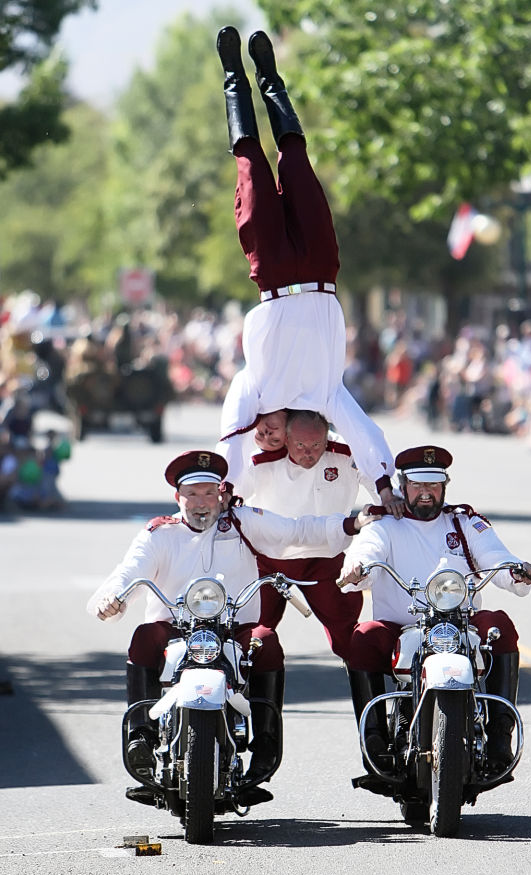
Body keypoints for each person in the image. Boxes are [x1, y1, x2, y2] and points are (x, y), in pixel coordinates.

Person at [87, 449, 377, 804]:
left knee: (266, 640)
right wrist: (111, 598)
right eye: (192, 494)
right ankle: (141, 737)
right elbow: (129, 572)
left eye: (209, 493)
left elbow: (297, 530)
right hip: (176, 628)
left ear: (222, 493)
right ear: (177, 497)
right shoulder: (159, 533)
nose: (201, 503)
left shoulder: (242, 521)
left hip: (233, 627)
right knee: (145, 636)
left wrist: (351, 523)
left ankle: (266, 743)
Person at [214, 26, 402, 519]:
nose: (269, 434)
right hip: (321, 267)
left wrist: (229, 485)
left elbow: (233, 420)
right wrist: (385, 484)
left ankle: (233, 77)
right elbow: (364, 431)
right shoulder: (327, 396)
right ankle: (270, 79)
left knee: (251, 166)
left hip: (274, 276)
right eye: (276, 439)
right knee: (295, 160)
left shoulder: (256, 390)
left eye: (264, 434)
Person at [337, 445, 531, 784]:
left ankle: (498, 740)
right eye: (417, 485)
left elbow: (495, 555)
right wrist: (356, 567)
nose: (425, 493)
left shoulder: (464, 522)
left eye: (433, 485)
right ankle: (373, 742)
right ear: (403, 485)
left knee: (500, 625)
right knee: (363, 636)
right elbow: (365, 551)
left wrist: (517, 570)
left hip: (459, 622)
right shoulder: (384, 524)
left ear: (444, 485)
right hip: (402, 625)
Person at [239, 409, 380, 664]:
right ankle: (246, 699)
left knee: (351, 641)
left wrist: (388, 502)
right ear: (287, 439)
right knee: (250, 638)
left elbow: (380, 481)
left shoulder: (348, 451)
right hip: (269, 560)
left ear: (327, 438)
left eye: (316, 445)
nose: (308, 453)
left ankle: (371, 704)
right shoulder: (259, 460)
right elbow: (228, 498)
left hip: (326, 558)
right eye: (300, 445)